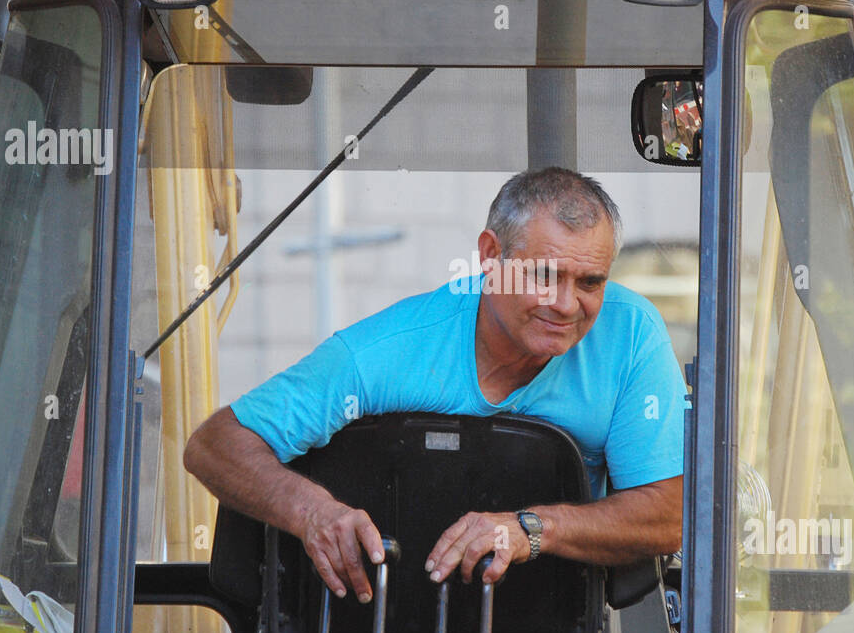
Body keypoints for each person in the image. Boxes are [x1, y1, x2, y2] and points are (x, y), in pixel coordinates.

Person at [183, 167, 686, 606]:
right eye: (544, 276)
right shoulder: (389, 349)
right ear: (490, 256)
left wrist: (530, 529)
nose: (566, 304)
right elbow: (215, 445)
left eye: (590, 283)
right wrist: (313, 512)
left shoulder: (632, 333)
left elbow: (670, 514)